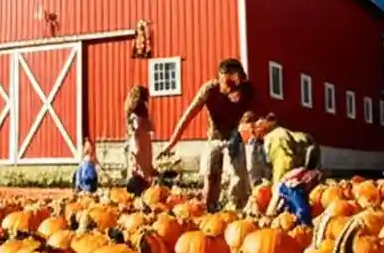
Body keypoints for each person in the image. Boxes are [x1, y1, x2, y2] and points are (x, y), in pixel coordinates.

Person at [160, 58, 256, 211]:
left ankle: (238, 207)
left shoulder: (247, 90)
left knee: (239, 176)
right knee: (212, 174)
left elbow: (257, 113)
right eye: (227, 83)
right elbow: (189, 114)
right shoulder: (210, 90)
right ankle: (210, 207)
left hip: (235, 134)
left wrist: (251, 127)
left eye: (234, 83)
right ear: (220, 77)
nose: (230, 88)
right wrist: (172, 142)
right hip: (215, 136)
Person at [252, 113, 321, 215]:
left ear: (262, 127)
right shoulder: (276, 134)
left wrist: (275, 197)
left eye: (255, 128)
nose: (253, 133)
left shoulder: (275, 138)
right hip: (306, 160)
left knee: (286, 189)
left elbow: (283, 165)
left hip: (304, 163)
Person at [123, 86, 155, 195]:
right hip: (141, 159)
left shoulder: (137, 117)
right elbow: (135, 140)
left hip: (142, 157)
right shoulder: (138, 118)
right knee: (140, 192)